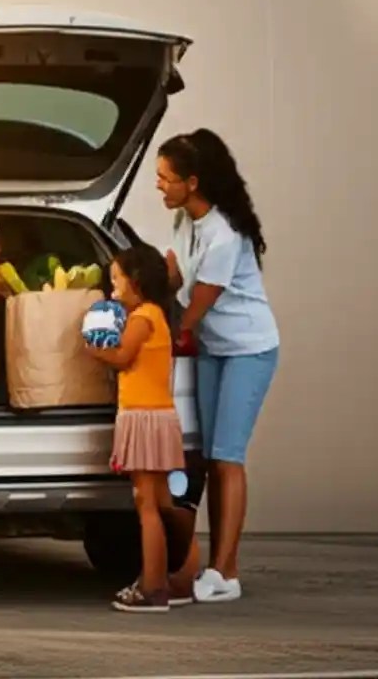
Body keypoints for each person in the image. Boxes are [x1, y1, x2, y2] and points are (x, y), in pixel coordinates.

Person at [157, 129, 280, 604]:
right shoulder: (186, 223)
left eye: (165, 179)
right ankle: (210, 562)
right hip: (212, 348)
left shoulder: (224, 236)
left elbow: (190, 314)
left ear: (192, 181)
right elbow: (176, 277)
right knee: (206, 456)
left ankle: (226, 571)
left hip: (248, 349)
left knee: (228, 456)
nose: (159, 187)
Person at [86, 245, 187, 612]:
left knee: (145, 505)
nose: (112, 285)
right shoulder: (157, 314)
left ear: (137, 280)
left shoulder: (142, 317)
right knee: (161, 503)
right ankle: (179, 578)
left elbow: (121, 357)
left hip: (142, 417)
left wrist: (93, 348)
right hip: (159, 416)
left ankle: (152, 586)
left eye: (117, 278)